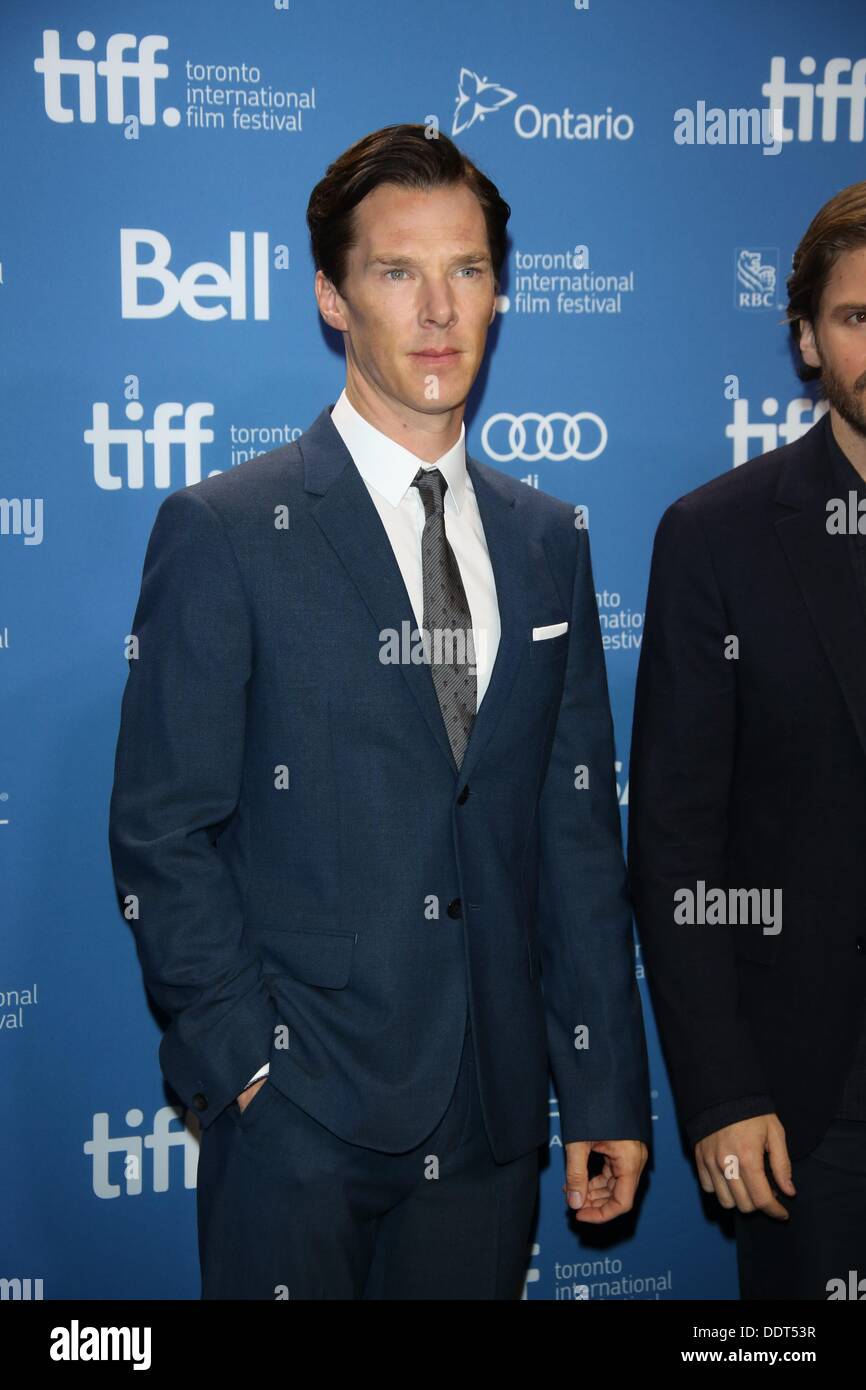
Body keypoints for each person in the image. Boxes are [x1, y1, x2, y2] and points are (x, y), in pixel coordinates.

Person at [108, 123, 650, 1301]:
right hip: (297, 1113)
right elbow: (163, 828)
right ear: (331, 297)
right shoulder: (230, 528)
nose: (436, 308)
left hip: (493, 1110)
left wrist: (602, 1083)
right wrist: (245, 1068)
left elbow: (570, 837)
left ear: (499, 293)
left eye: (464, 269)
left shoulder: (547, 541)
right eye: (397, 272)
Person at [628, 181, 866, 1300]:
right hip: (818, 1105)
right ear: (806, 341)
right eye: (858, 317)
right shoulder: (717, 537)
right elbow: (674, 848)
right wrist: (720, 1090)